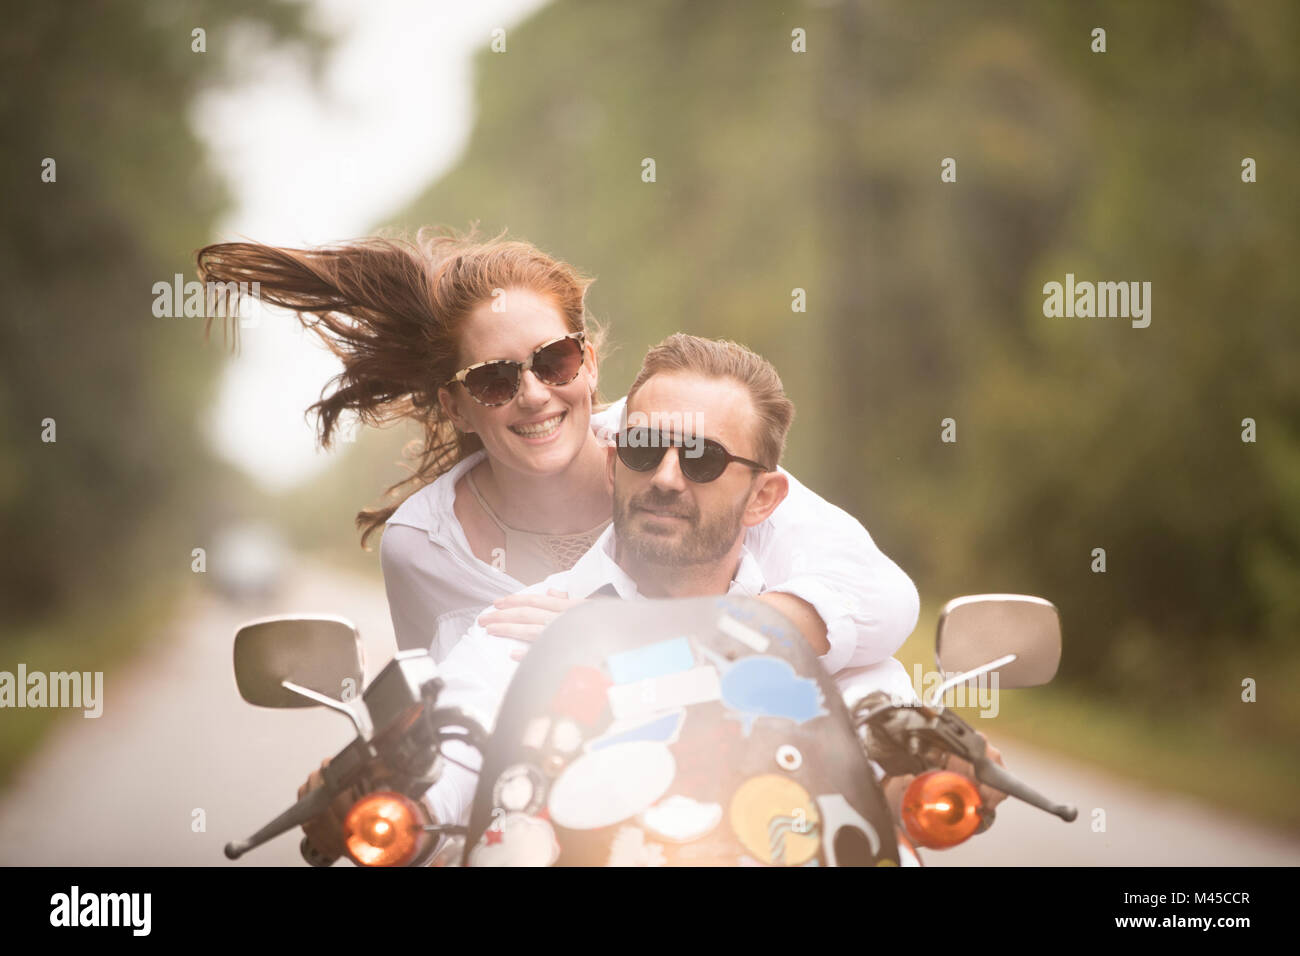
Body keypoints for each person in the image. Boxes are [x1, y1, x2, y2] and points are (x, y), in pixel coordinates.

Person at [298, 335, 1005, 862]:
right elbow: (454, 756)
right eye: (644, 448)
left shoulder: (833, 650)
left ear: (764, 497)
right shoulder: (518, 634)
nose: (667, 476)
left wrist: (938, 765)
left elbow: (883, 781)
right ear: (614, 462)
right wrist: (396, 793)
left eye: (701, 459)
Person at [195, 228, 919, 674]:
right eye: (494, 379)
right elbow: (448, 706)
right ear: (455, 404)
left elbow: (883, 604)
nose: (535, 394)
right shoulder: (424, 544)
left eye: (555, 361)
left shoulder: (674, 456)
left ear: (591, 361)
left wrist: (635, 635)